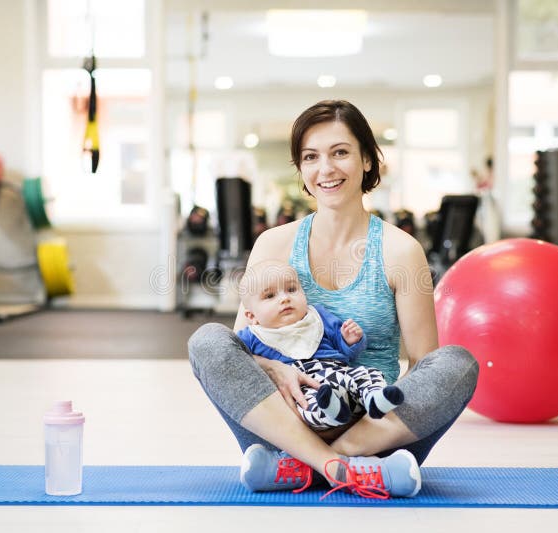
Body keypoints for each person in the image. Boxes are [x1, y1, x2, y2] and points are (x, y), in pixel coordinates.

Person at [188, 99, 479, 499]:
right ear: (302, 169)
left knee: (457, 364)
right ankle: (337, 467)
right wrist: (276, 370)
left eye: (340, 152)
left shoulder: (400, 251)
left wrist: (374, 415)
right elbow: (240, 350)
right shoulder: (274, 244)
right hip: (284, 425)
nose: (325, 169)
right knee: (207, 341)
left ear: (366, 160)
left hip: (375, 431)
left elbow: (423, 366)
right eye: (311, 157)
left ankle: (310, 466)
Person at [236, 261, 405, 431]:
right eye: (270, 296)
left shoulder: (318, 317)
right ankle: (331, 412)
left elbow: (344, 350)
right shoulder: (251, 336)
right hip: (304, 385)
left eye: (292, 289)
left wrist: (350, 340)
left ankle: (375, 399)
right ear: (252, 316)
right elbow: (234, 356)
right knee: (307, 404)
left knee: (367, 374)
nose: (285, 298)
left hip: (339, 371)